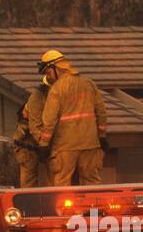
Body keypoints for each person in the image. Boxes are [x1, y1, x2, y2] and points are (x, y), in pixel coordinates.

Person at [36, 49, 107, 185]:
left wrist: (43, 145)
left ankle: (63, 208)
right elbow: (101, 112)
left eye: (48, 73)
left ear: (57, 68)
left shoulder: (56, 89)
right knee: (92, 183)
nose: (48, 77)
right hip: (90, 143)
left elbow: (49, 120)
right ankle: (93, 207)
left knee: (62, 184)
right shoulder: (89, 84)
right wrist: (102, 136)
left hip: (65, 146)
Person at [13, 76, 50, 188]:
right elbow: (27, 124)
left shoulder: (47, 98)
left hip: (38, 144)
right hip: (28, 147)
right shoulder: (38, 99)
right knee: (28, 184)